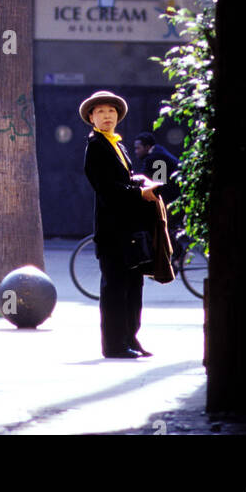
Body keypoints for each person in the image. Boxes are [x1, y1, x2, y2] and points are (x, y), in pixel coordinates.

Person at [81, 89, 173, 360]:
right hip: (112, 232)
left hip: (130, 231)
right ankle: (114, 345)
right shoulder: (96, 146)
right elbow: (105, 187)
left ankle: (131, 338)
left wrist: (141, 181)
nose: (107, 116)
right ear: (91, 117)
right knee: (115, 289)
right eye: (100, 112)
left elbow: (124, 178)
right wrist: (137, 192)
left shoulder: (117, 145)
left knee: (134, 287)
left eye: (111, 112)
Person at [133, 130, 182, 257]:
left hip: (176, 200)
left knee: (160, 225)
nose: (136, 151)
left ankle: (178, 255)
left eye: (138, 148)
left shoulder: (157, 158)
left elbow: (158, 184)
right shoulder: (157, 153)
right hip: (176, 199)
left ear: (147, 147)